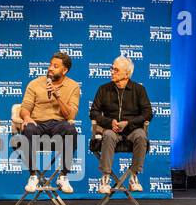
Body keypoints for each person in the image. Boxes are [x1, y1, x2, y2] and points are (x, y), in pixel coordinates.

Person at [88, 56, 153, 194]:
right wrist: (109, 122)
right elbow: (94, 112)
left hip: (132, 130)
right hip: (111, 130)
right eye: (112, 68)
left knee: (141, 136)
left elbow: (148, 114)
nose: (112, 72)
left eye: (116, 70)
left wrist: (129, 123)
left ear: (127, 74)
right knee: (108, 135)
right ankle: (105, 177)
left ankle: (134, 176)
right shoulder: (103, 89)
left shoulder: (139, 90)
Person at [19, 52, 81, 194]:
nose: (50, 68)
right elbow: (25, 108)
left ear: (64, 70)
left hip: (59, 124)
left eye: (55, 66)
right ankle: (33, 175)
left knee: (70, 129)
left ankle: (63, 176)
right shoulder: (35, 83)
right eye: (50, 65)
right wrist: (27, 117)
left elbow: (70, 115)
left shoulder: (73, 86)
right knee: (28, 129)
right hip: (38, 123)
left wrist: (57, 96)